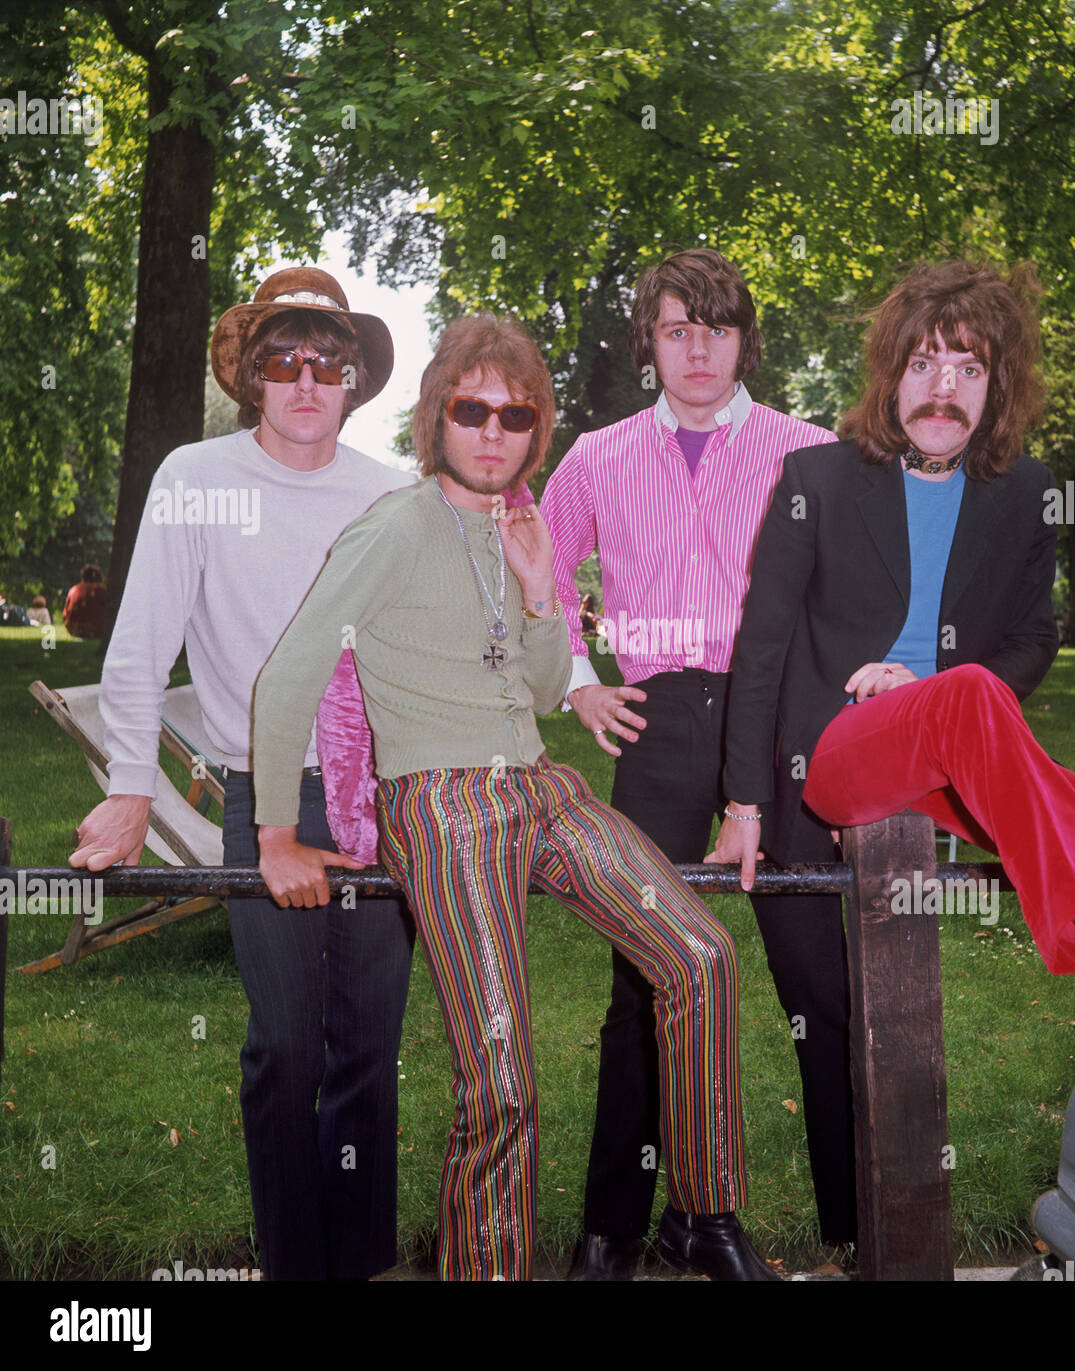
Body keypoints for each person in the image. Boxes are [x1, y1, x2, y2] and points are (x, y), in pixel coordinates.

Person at [251, 312, 778, 1283]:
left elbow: (538, 693)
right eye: (472, 409)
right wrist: (277, 833)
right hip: (442, 804)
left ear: (537, 430)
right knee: (502, 1082)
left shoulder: (519, 526)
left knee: (700, 957)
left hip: (541, 785)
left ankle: (699, 1215)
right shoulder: (395, 526)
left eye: (516, 413)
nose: (494, 429)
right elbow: (288, 673)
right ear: (437, 419)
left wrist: (543, 593)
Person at [710, 259, 1075, 1110]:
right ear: (893, 374)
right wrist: (746, 804)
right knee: (968, 689)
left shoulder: (1022, 493)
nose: (946, 389)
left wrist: (936, 682)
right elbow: (760, 649)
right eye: (927, 363)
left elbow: (1033, 637)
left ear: (996, 388)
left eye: (971, 370)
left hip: (958, 745)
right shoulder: (816, 482)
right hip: (836, 752)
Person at [69, 267, 417, 1280]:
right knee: (285, 1048)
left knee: (365, 1046)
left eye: (328, 360)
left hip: (372, 795)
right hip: (258, 798)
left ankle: (358, 1261)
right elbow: (141, 643)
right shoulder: (194, 475)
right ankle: (291, 1260)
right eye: (283, 358)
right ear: (250, 373)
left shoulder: (390, 490)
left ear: (355, 378)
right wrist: (132, 786)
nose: (306, 379)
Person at [539, 248, 840, 1278]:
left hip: (778, 728)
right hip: (657, 728)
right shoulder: (598, 456)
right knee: (644, 985)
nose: (697, 347)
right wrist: (577, 677)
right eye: (676, 328)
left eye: (715, 326)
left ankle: (857, 1224)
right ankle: (618, 1226)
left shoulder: (813, 452)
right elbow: (533, 572)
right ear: (650, 343)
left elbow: (850, 599)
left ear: (744, 338)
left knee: (818, 976)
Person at [62, 564, 107, 638]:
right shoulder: (102, 590)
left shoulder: (73, 589)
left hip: (73, 630)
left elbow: (65, 614)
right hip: (96, 631)